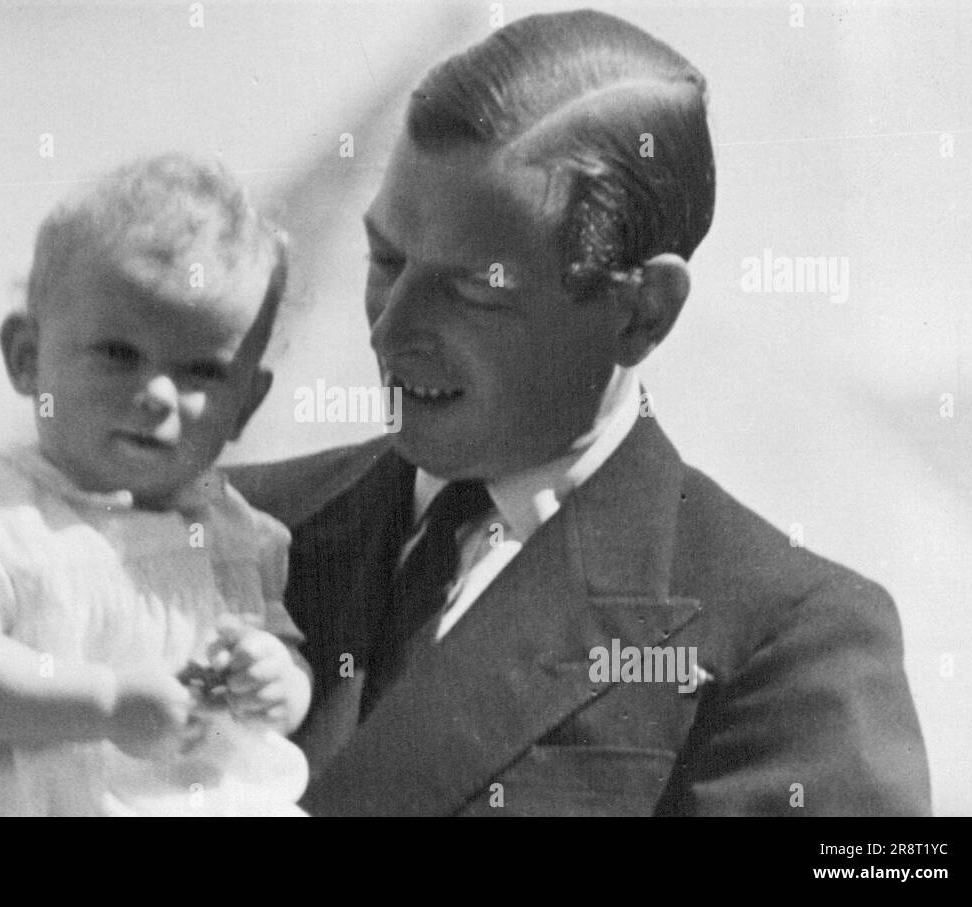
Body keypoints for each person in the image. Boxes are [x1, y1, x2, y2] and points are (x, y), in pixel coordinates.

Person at [227, 10, 930, 816]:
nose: (390, 329)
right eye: (387, 260)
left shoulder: (786, 647)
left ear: (642, 313)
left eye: (472, 291)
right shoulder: (232, 528)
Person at [0, 154, 311, 816]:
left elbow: (285, 653)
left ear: (246, 404)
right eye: (117, 355)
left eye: (202, 372)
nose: (158, 394)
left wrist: (277, 680)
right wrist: (101, 703)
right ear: (26, 357)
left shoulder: (235, 536)